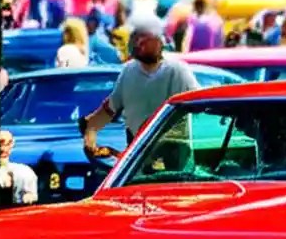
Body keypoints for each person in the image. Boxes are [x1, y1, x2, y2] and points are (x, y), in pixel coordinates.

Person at [81, 16, 200, 150]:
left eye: (145, 38)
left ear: (160, 41)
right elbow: (110, 109)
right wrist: (91, 129)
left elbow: (199, 106)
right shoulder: (128, 71)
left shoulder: (177, 71)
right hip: (137, 153)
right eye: (136, 38)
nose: (139, 43)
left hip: (173, 151)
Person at [0, 131, 38, 206]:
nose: (4, 149)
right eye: (1, 143)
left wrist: (29, 197)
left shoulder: (25, 172)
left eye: (9, 143)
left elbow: (32, 197)